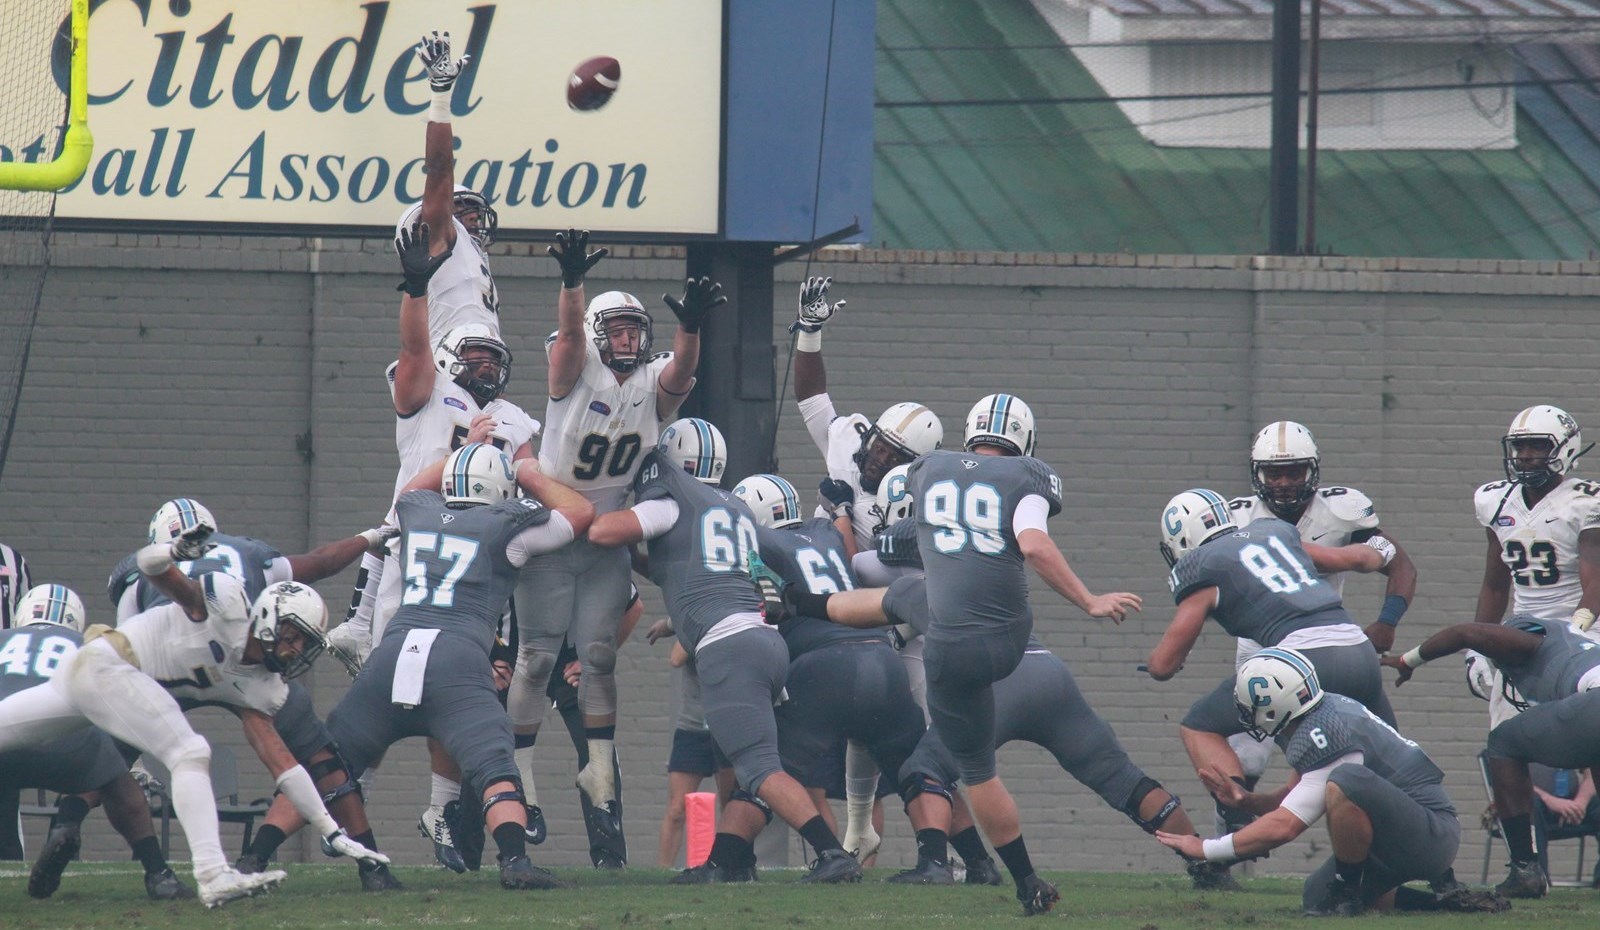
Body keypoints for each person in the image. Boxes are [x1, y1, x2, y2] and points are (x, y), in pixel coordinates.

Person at [851, 393, 1138, 914]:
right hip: (1010, 642)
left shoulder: (927, 469)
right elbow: (1031, 543)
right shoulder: (1028, 476)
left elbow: (925, 534)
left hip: (947, 645)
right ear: (1024, 442)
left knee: (977, 769)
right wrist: (1089, 600)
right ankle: (1026, 882)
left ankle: (1024, 879)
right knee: (980, 752)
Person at [0, 525, 385, 907]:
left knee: (186, 752)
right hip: (105, 664)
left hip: (93, 677)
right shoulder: (227, 605)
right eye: (292, 634)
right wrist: (172, 553)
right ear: (268, 613)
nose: (295, 649)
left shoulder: (263, 685)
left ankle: (215, 874)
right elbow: (150, 567)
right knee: (189, 752)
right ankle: (214, 875)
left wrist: (331, 831)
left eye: (305, 643)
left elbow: (283, 765)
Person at [509, 224, 721, 861]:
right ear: (601, 337)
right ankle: (520, 778)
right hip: (551, 530)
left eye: (637, 330)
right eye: (618, 331)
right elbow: (571, 336)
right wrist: (572, 283)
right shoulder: (576, 368)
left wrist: (691, 329)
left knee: (599, 655)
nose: (629, 340)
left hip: (602, 538)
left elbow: (682, 372)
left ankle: (598, 772)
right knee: (538, 660)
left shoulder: (653, 381)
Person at [587, 418, 864, 884]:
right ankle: (733, 861)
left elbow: (603, 531)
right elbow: (677, 567)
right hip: (761, 640)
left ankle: (832, 853)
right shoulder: (732, 507)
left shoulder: (671, 502)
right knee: (732, 760)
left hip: (727, 647)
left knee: (758, 767)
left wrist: (576, 510)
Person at [324, 443, 594, 891]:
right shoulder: (507, 526)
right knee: (492, 756)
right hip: (456, 652)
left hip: (398, 646)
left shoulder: (417, 511)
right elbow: (580, 511)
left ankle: (261, 853)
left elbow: (410, 490)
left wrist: (458, 453)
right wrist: (528, 473)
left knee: (328, 756)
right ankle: (515, 859)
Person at [103, 497, 401, 891]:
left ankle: (151, 869)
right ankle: (371, 866)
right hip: (245, 661)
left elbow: (129, 649)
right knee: (321, 762)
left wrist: (132, 745)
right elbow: (320, 562)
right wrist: (368, 538)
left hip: (175, 662)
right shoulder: (246, 554)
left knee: (103, 764)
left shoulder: (139, 571)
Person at [1152, 488, 1407, 884]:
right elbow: (1355, 559)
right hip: (1356, 648)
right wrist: (1381, 550)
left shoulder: (1200, 566)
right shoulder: (1273, 532)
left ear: (1179, 541)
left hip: (1306, 659)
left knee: (1199, 723)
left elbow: (1163, 666)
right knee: (1394, 761)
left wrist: (1156, 663)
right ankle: (1440, 874)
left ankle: (1237, 823)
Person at [790, 276, 945, 854]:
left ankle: (940, 847)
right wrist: (809, 334)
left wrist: (835, 518)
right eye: (877, 446)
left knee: (913, 731)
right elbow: (812, 400)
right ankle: (857, 827)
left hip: (901, 617)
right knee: (853, 716)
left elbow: (883, 579)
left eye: (891, 456)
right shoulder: (852, 442)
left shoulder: (925, 509)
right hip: (835, 600)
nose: (874, 457)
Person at [1155, 649, 1485, 917]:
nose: (1243, 713)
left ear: (1273, 708)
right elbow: (1293, 797)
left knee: (1346, 781)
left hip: (1429, 832)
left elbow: (1285, 826)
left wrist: (1207, 849)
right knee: (1316, 896)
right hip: (1401, 833)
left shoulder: (1325, 731)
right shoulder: (1315, 716)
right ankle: (1441, 905)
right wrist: (1246, 802)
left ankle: (1348, 889)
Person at [731, 473, 937, 879]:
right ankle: (960, 858)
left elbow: (754, 613)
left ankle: (737, 856)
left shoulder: (760, 547)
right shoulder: (826, 535)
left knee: (768, 768)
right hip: (882, 655)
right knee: (920, 767)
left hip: (823, 665)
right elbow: (848, 561)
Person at [1220, 422, 1419, 840]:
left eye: (1294, 471)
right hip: (1262, 648)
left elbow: (1398, 562)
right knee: (1247, 757)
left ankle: (1389, 849)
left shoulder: (1340, 510)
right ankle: (1226, 844)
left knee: (1385, 746)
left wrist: (1387, 621)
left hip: (1326, 644)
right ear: (1258, 474)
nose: (1285, 482)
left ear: (1312, 470)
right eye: (1275, 473)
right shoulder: (1236, 518)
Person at [1380, 613, 1600, 898]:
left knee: (1504, 742)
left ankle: (1525, 871)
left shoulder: (1529, 638)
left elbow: (1463, 633)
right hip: (1590, 704)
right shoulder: (1575, 644)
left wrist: (1407, 661)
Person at [0, 584, 190, 901]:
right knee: (117, 773)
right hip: (67, 750)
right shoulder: (88, 644)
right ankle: (158, 874)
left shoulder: (4, 639)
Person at [0, 540, 31, 862]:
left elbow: (23, 621)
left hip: (3, 682)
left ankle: (10, 856)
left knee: (5, 780)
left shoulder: (12, 560)